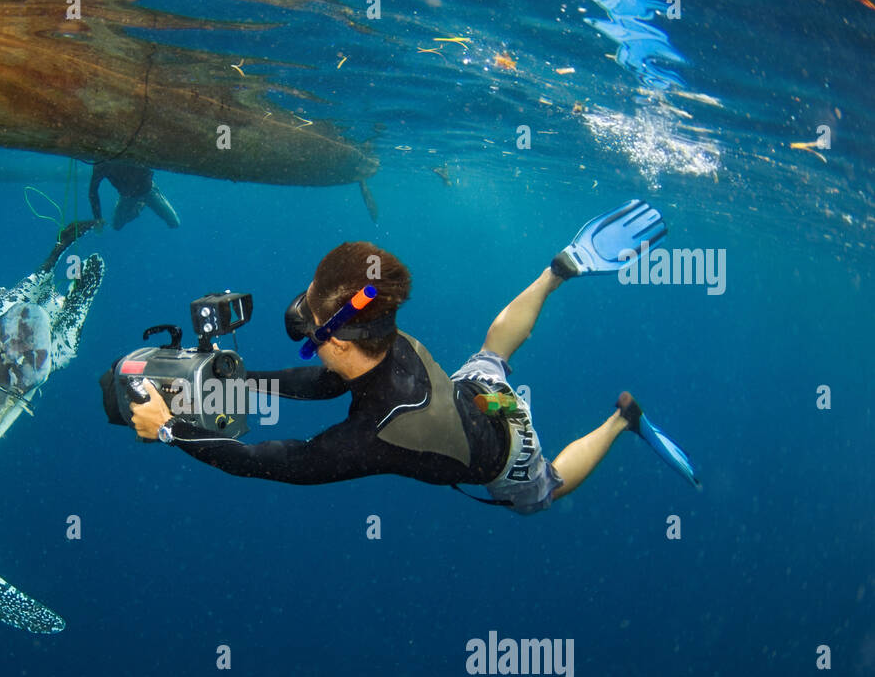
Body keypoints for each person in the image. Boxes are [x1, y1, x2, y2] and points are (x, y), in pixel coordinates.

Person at [126, 200, 698, 512]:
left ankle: (623, 420)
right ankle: (557, 272)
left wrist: (170, 428)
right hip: (476, 397)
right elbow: (325, 381)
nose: (302, 321)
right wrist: (239, 379)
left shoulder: (374, 436)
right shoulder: (385, 333)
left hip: (506, 448)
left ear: (341, 341)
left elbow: (271, 461)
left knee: (547, 489)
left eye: (312, 322)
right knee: (491, 352)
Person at [89, 161, 180, 231]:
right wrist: (97, 217)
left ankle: (140, 205)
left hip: (148, 191)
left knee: (175, 223)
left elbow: (93, 191)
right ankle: (139, 206)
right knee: (116, 226)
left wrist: (98, 217)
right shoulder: (101, 164)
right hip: (129, 196)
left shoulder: (102, 164)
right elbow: (93, 191)